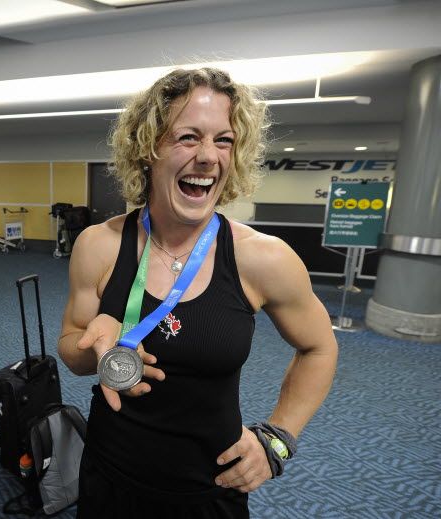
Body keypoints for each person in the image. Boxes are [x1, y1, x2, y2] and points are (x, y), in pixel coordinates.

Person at [58, 68, 338, 518]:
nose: (209, 157)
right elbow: (72, 350)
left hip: (211, 489)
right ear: (148, 149)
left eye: (223, 140)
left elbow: (319, 346)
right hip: (109, 475)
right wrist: (98, 350)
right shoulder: (99, 245)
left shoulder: (263, 259)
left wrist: (279, 440)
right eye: (188, 137)